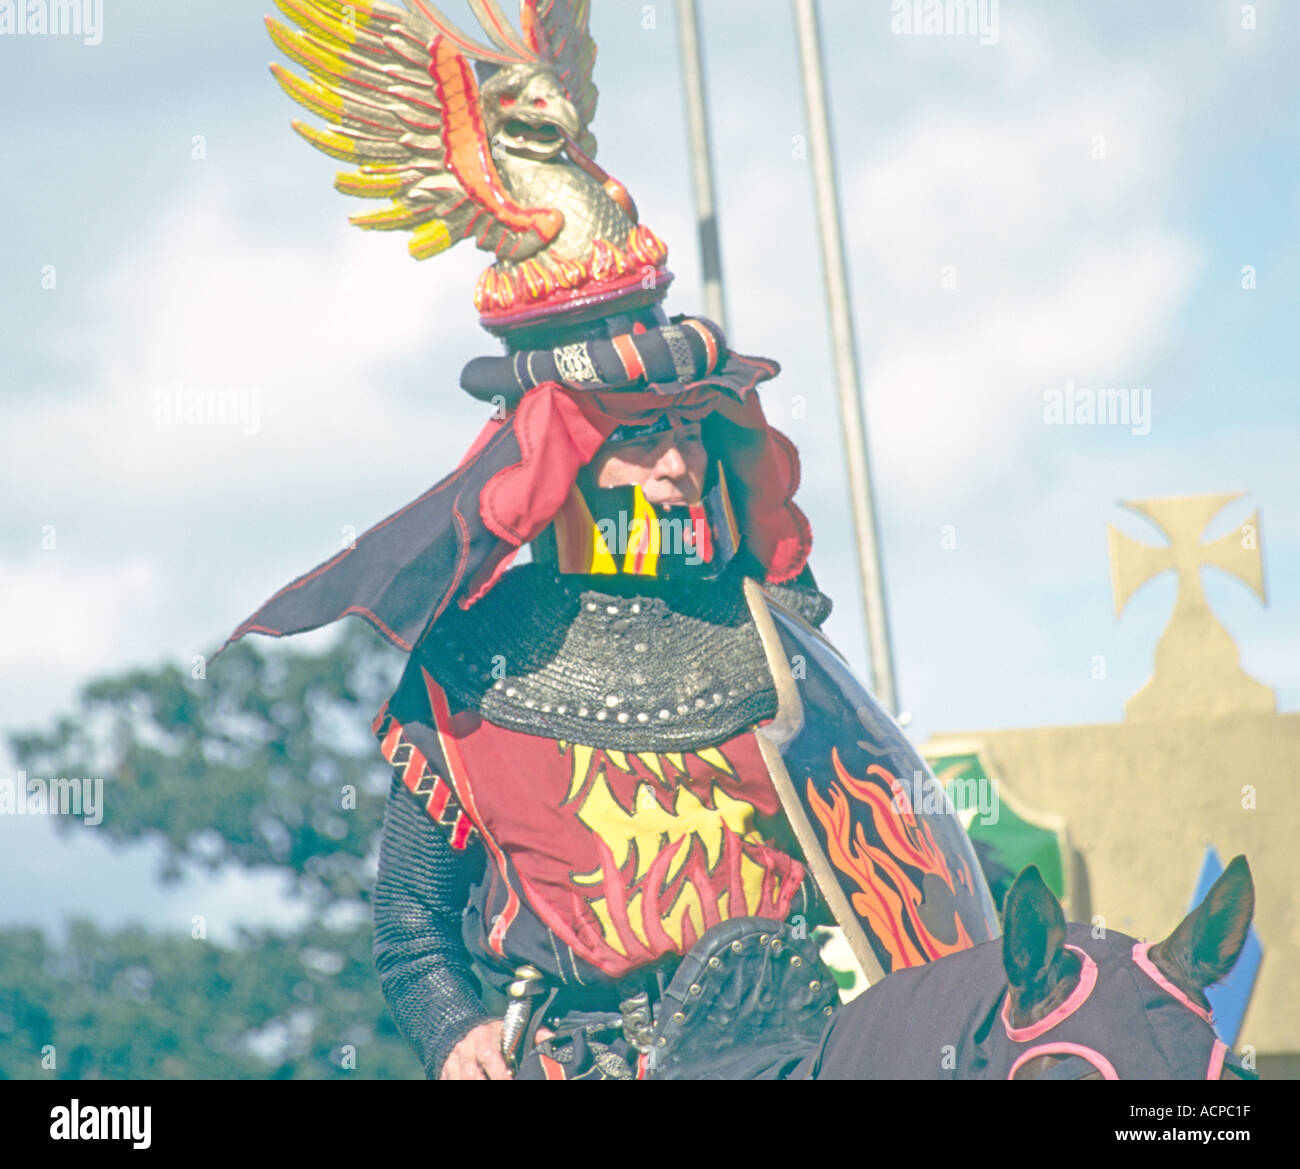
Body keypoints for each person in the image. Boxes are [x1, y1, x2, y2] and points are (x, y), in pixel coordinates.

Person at [230, 0, 999, 1081]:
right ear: (568, 463)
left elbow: (906, 868)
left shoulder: (764, 636)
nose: (680, 467)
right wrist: (456, 1033)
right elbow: (410, 927)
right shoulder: (471, 662)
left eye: (689, 433)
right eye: (644, 441)